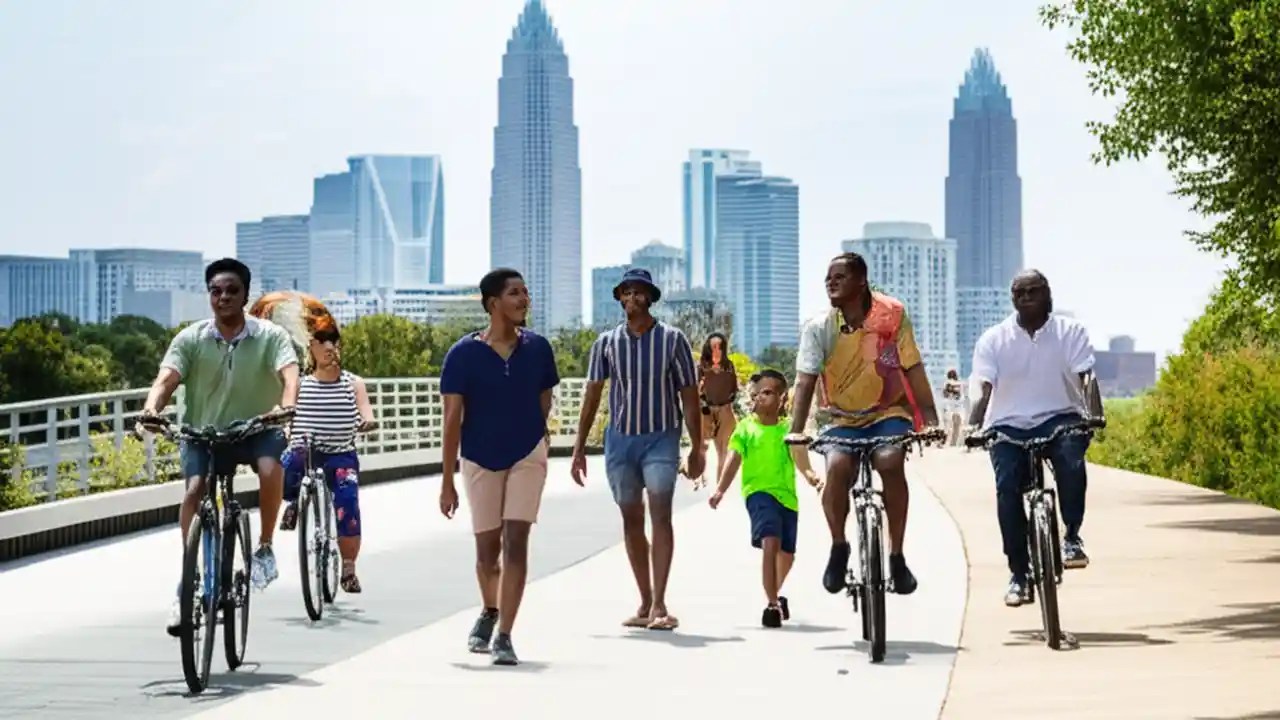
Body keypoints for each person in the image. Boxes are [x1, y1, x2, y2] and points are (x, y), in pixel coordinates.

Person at [140, 258, 300, 636]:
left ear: (245, 296)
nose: (223, 297)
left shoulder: (271, 336)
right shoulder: (191, 339)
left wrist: (286, 407)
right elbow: (166, 380)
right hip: (204, 431)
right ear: (209, 295)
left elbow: (289, 375)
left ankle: (263, 544)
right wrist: (151, 409)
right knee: (195, 490)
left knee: (269, 468)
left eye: (231, 291)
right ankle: (189, 574)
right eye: (216, 291)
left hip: (258, 426)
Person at [786, 252, 940, 597]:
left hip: (888, 413)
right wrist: (796, 430)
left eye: (840, 276)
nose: (831, 282)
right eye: (828, 277)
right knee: (838, 467)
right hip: (840, 417)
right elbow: (805, 381)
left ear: (861, 281)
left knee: (889, 460)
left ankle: (897, 555)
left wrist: (930, 418)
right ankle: (839, 546)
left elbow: (913, 367)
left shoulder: (893, 315)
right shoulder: (819, 327)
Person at [439, 268, 563, 666]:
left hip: (527, 453)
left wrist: (536, 436)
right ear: (494, 303)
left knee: (516, 542)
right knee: (487, 553)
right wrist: (447, 482)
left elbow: (544, 400)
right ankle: (489, 610)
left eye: (526, 292)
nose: (525, 299)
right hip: (479, 457)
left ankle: (505, 634)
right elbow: (452, 419)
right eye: (515, 293)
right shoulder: (462, 355)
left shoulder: (539, 348)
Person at [571, 267, 704, 632]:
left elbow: (689, 397)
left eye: (637, 292)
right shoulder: (606, 343)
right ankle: (645, 600)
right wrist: (579, 446)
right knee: (631, 520)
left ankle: (661, 603)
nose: (630, 298)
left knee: (660, 515)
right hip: (620, 441)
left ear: (648, 297)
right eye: (624, 293)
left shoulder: (672, 340)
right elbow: (593, 394)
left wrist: (697, 447)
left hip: (661, 437)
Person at [966, 269, 1102, 607]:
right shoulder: (993, 339)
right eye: (1019, 292)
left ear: (1047, 294)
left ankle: (1071, 536)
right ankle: (1019, 574)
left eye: (1033, 291)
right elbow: (983, 386)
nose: (1026, 297)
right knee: (1007, 489)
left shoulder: (1069, 332)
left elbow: (1086, 377)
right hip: (1008, 424)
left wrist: (1095, 414)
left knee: (1072, 459)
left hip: (1060, 416)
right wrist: (973, 426)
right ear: (1012, 299)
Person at [253, 294, 376, 594]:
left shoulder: (352, 383)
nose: (329, 347)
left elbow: (366, 411)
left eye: (333, 342)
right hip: (303, 450)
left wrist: (368, 421)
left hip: (341, 455)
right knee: (283, 471)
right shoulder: (302, 384)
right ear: (312, 348)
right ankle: (294, 502)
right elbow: (284, 409)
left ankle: (348, 569)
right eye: (322, 342)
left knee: (348, 505)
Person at [709, 369, 820, 628]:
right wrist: (720, 490)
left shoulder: (788, 429)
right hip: (758, 494)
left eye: (768, 392)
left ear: (782, 398)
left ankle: (775, 595)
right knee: (771, 541)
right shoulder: (745, 429)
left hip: (787, 499)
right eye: (757, 393)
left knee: (788, 555)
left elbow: (800, 456)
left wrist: (811, 476)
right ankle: (772, 605)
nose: (761, 398)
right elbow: (733, 460)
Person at [696, 332, 739, 485]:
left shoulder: (729, 366)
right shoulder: (701, 367)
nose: (716, 349)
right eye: (713, 346)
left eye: (719, 346)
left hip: (725, 409)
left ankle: (720, 483)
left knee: (723, 448)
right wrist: (703, 404)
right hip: (706, 410)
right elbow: (695, 389)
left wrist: (728, 402)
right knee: (702, 445)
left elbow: (735, 388)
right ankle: (699, 477)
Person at [941, 368, 967, 446]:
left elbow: (944, 395)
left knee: (949, 428)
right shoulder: (959, 384)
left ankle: (948, 443)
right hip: (956, 409)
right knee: (956, 428)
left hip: (950, 409)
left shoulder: (946, 384)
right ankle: (953, 444)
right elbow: (961, 397)